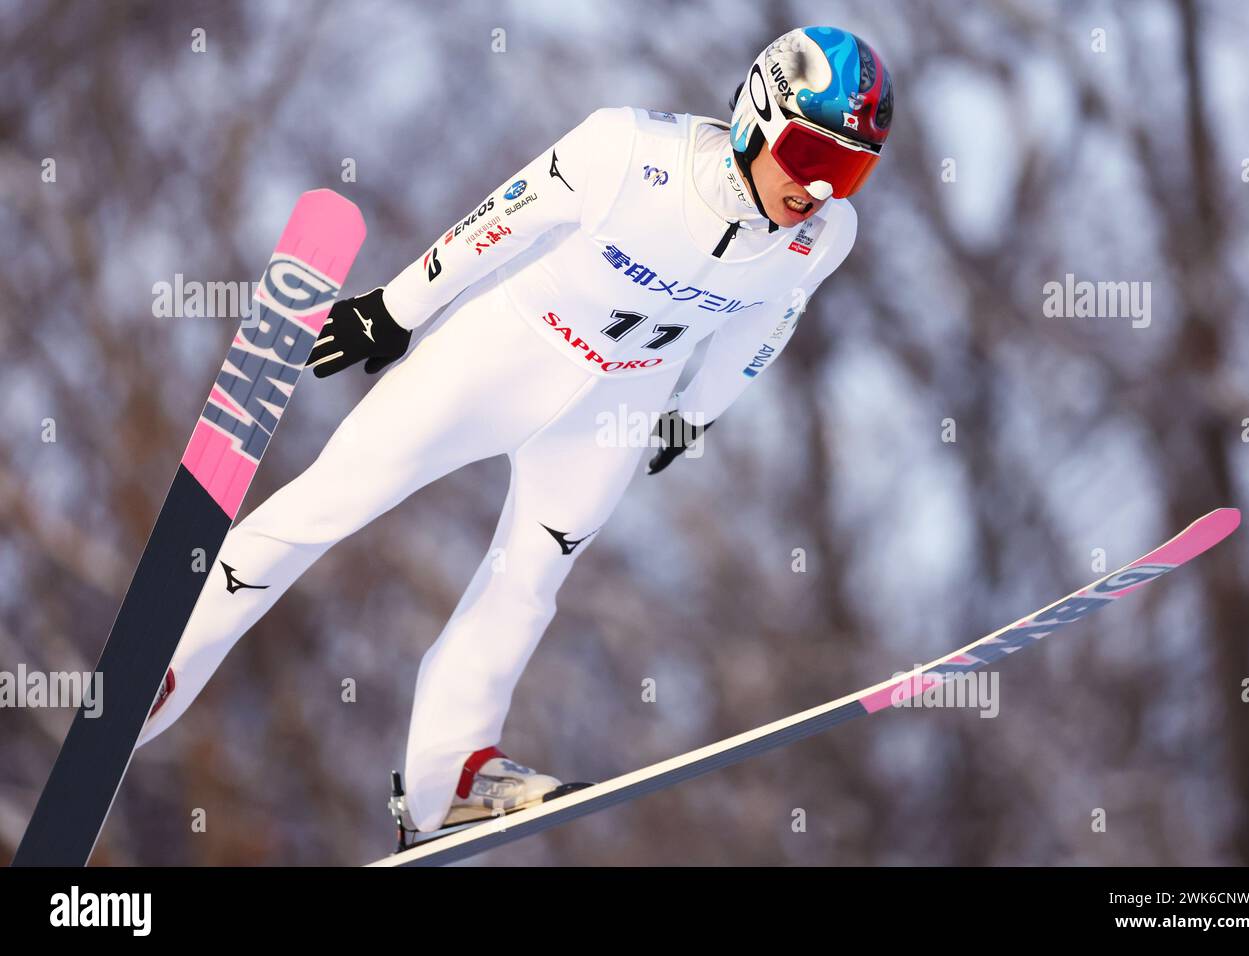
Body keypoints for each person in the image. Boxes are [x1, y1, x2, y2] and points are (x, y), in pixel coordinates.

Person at [136, 25, 894, 836]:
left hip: (615, 408)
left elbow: (767, 324)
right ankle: (166, 663)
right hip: (504, 353)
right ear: (758, 119)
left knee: (530, 579)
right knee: (333, 499)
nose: (819, 192)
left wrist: (696, 411)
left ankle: (448, 776)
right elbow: (499, 221)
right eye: (814, 159)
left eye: (850, 172)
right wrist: (395, 310)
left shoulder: (823, 236)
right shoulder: (628, 150)